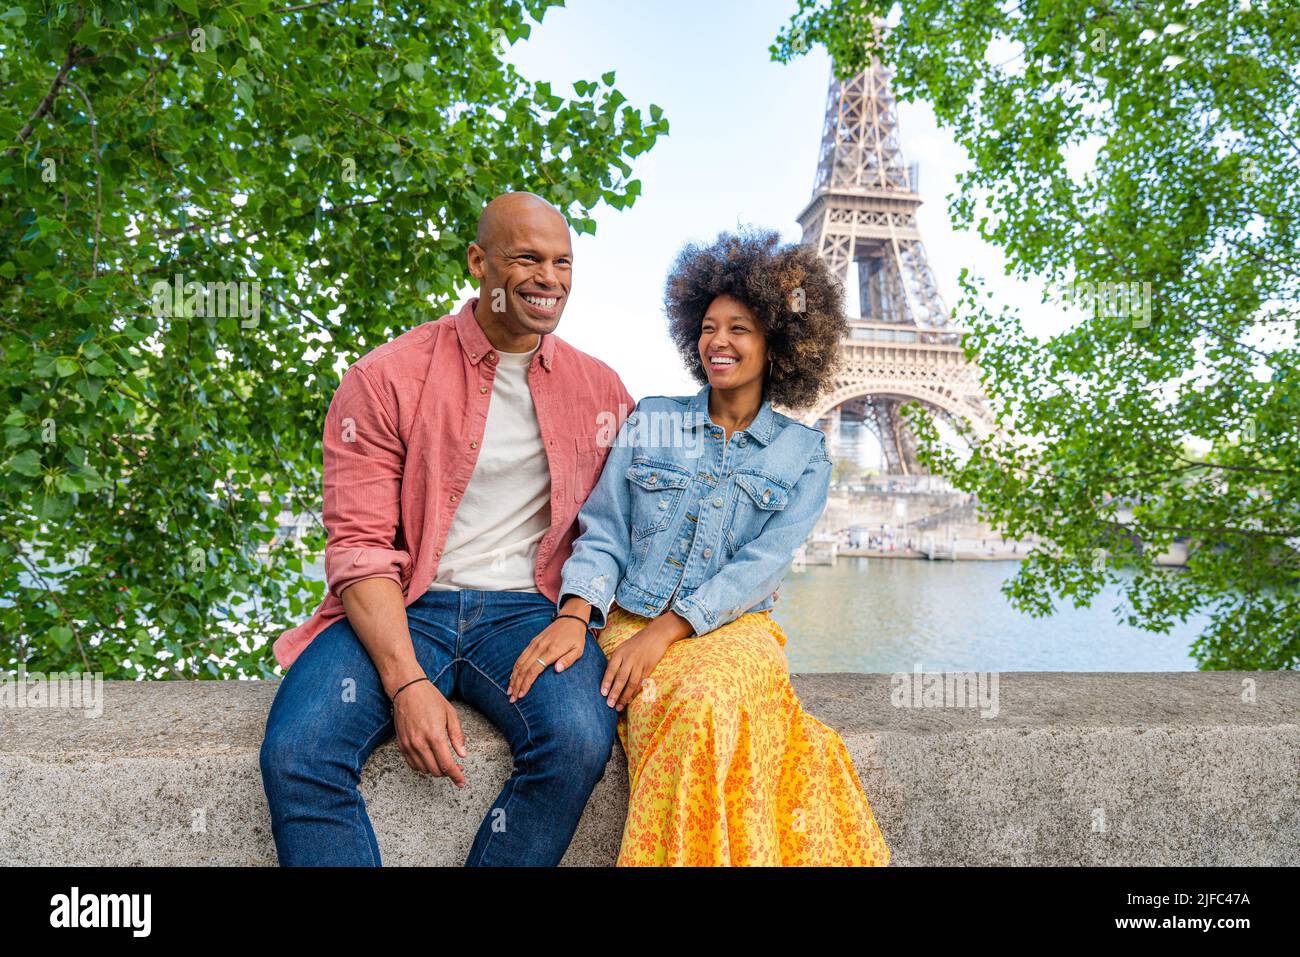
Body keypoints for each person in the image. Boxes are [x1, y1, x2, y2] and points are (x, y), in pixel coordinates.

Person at [259, 192, 633, 866]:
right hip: (405, 605)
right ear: (478, 263)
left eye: (562, 261)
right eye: (527, 258)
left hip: (532, 612)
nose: (549, 278)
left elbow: (629, 523)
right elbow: (360, 552)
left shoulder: (602, 389)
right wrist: (406, 684)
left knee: (579, 739)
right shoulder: (384, 379)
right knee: (299, 750)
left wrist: (582, 614)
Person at [507, 228, 891, 866]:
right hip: (626, 614)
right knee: (670, 703)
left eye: (740, 328)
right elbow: (603, 532)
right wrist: (577, 612)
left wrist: (667, 630)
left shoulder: (804, 457)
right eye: (709, 327)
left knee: (702, 703)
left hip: (733, 627)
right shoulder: (650, 419)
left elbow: (759, 569)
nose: (720, 341)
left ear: (777, 342)